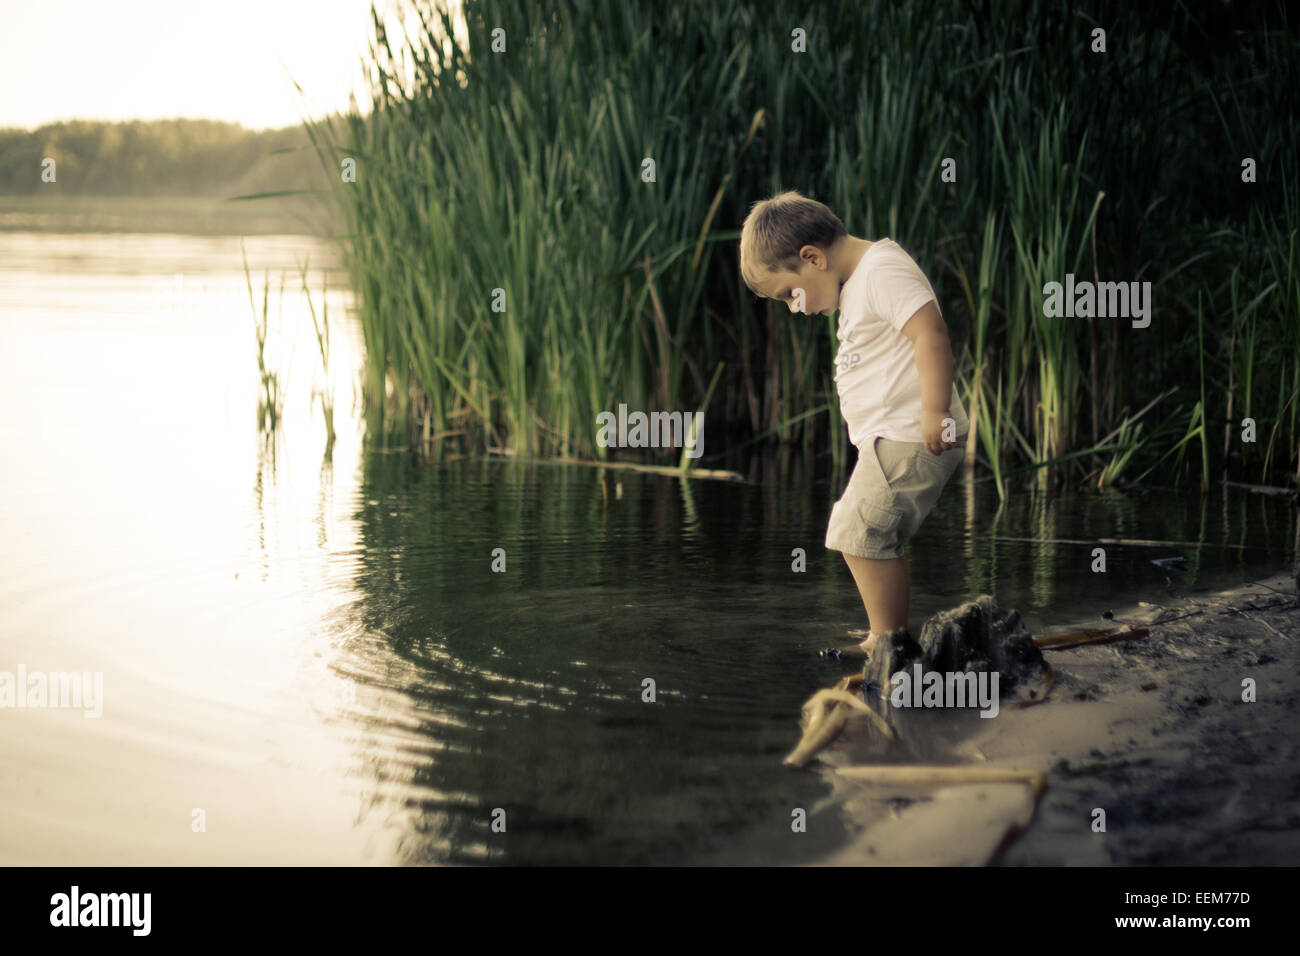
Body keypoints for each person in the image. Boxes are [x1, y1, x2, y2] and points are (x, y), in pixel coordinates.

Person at [739, 190, 969, 658]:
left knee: (859, 530)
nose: (794, 308)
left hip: (912, 433)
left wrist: (935, 411)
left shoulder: (881, 270)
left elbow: (930, 332)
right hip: (892, 439)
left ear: (812, 257)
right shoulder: (860, 282)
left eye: (788, 293)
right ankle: (888, 633)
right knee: (868, 534)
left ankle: (886, 641)